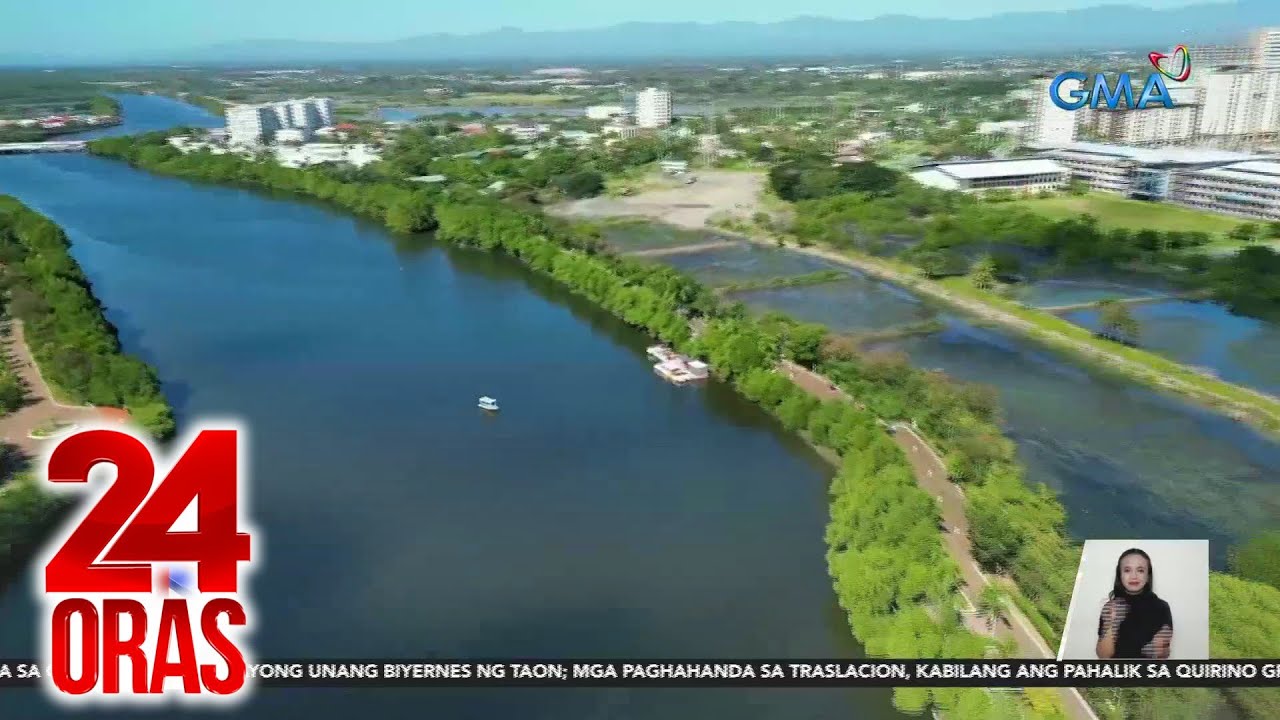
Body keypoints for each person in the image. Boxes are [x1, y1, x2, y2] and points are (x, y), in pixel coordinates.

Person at [1096, 548, 1173, 659]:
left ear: (1148, 576)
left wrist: (1161, 648)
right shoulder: (1111, 607)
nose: (1134, 576)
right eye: (1127, 570)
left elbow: (1163, 656)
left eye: (1140, 570)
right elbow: (1103, 656)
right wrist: (1112, 623)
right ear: (1120, 575)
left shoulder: (1161, 607)